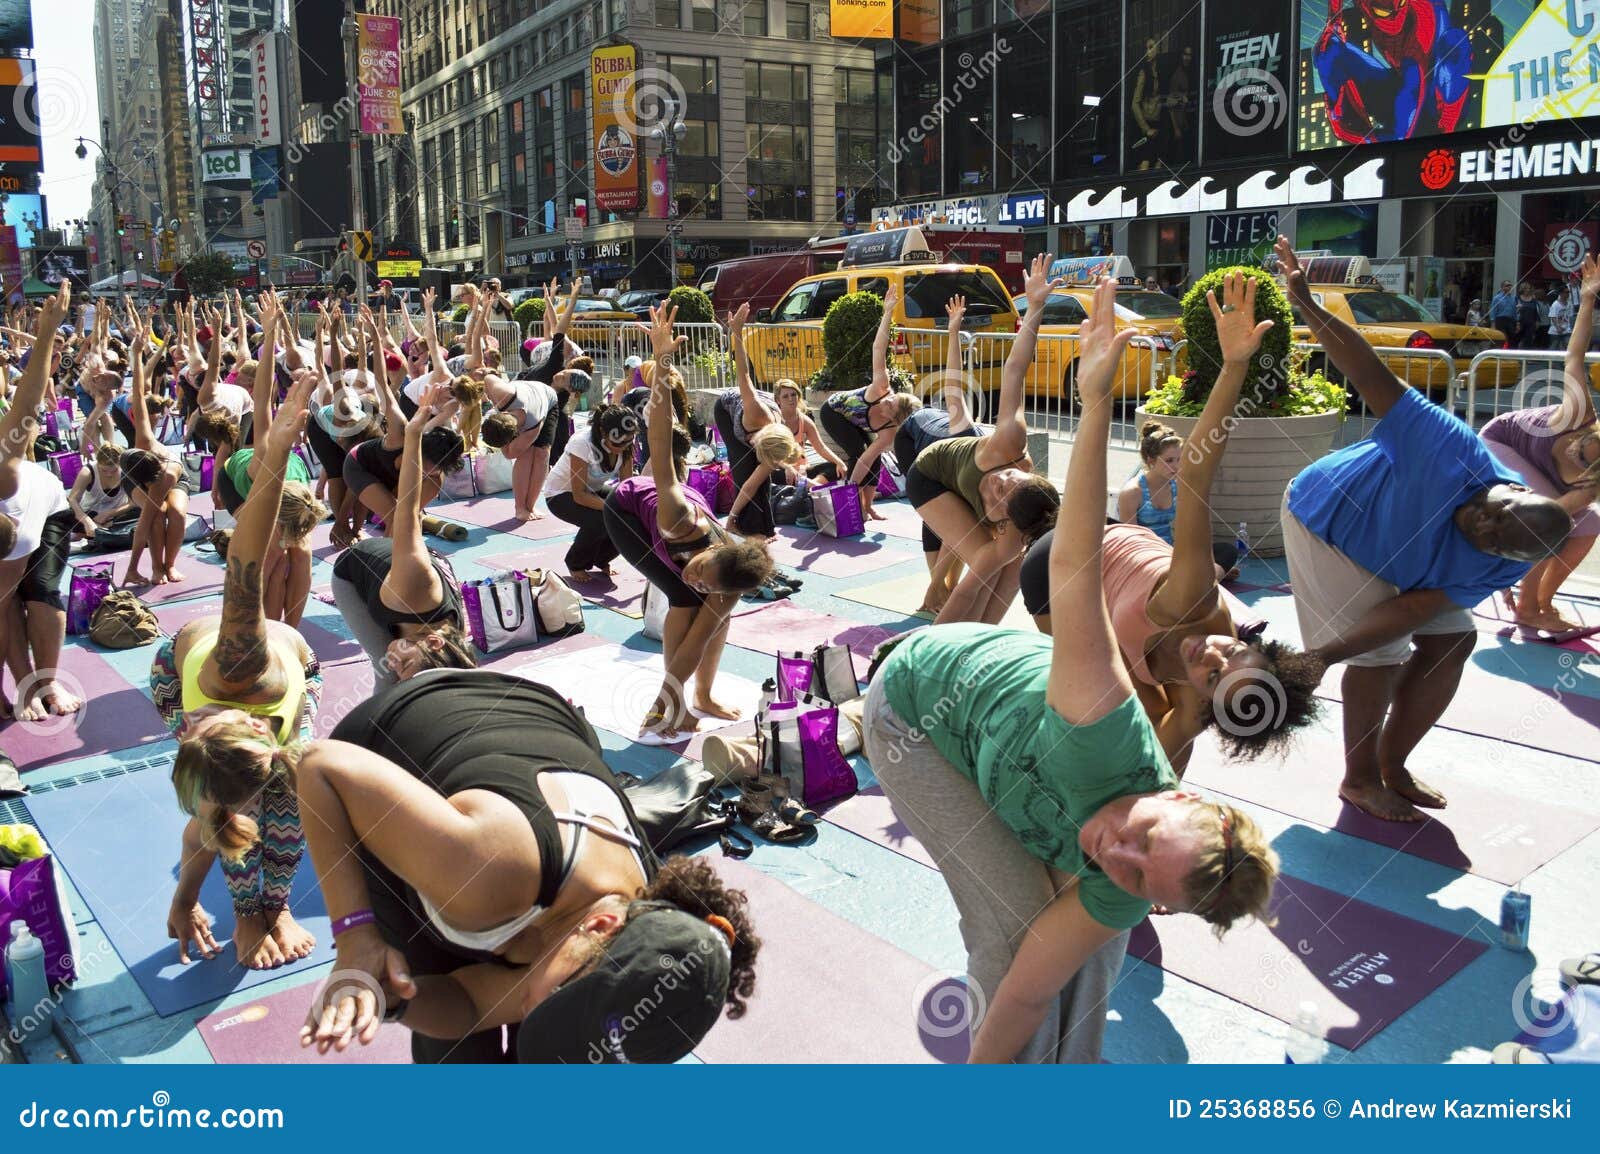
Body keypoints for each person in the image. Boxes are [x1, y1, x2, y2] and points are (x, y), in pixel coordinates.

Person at [863, 277, 1276, 1064]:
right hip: (921, 705)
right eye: (1142, 840)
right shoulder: (1113, 698)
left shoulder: (1161, 768)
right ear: (1180, 800)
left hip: (1022, 702)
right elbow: (1096, 545)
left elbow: (1046, 977)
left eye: (1141, 876)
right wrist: (1095, 404)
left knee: (1094, 933)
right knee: (1014, 925)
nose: (1114, 850)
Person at [292, 669, 760, 1063]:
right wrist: (354, 938)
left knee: (546, 1052)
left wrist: (392, 1001)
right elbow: (320, 766)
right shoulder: (486, 871)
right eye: (557, 1000)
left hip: (540, 731)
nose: (531, 1009)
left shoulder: (632, 936)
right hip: (402, 725)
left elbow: (472, 1001)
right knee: (456, 1060)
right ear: (598, 925)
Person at [1276, 237, 1573, 822]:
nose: (1477, 526)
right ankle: (1358, 780)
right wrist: (1306, 305)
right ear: (1513, 487)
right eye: (1491, 514)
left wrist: (1324, 656)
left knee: (1453, 640)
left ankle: (1392, 763)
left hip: (1399, 561)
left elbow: (1419, 608)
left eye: (1489, 538)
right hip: (1328, 522)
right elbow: (1366, 371)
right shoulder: (1450, 450)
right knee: (1379, 658)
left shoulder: (1508, 557)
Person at [1020, 272, 1323, 772]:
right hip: (1063, 562)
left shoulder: (1192, 705)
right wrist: (1233, 367)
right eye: (1235, 653)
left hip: (1120, 609)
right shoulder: (1194, 597)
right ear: (1251, 644)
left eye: (1214, 678)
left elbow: (1161, 766)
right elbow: (1198, 471)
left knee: (1145, 721)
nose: (1212, 655)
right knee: (1087, 695)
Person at [159, 371, 323, 970]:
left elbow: (246, 563)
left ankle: (271, 906)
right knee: (229, 819)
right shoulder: (213, 766)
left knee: (288, 811)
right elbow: (203, 831)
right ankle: (248, 910)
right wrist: (183, 900)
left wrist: (275, 456)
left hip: (283, 668)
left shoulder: (244, 661)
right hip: (190, 685)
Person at [603, 303, 774, 738]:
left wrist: (677, 700)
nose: (700, 580)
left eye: (707, 582)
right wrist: (660, 362)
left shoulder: (728, 583)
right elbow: (658, 439)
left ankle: (702, 695)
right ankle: (679, 704)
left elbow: (697, 642)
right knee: (683, 598)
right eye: (702, 572)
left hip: (692, 529)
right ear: (711, 552)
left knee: (713, 615)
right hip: (628, 514)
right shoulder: (679, 520)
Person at [906, 255, 1062, 626]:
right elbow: (1014, 370)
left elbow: (1004, 562)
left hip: (976, 498)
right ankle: (950, 632)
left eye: (998, 500)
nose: (997, 485)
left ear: (1010, 520)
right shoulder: (1008, 442)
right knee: (982, 564)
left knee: (1008, 566)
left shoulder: (1015, 529)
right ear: (1026, 472)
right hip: (928, 475)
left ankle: (981, 637)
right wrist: (1035, 307)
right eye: (1008, 480)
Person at [1480, 255, 1600, 632]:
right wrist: (1587, 299)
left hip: (1548, 469)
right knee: (1552, 522)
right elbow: (1575, 353)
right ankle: (1527, 608)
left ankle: (1542, 603)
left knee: (1588, 524)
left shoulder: (1591, 484)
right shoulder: (1579, 411)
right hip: (1501, 441)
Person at [330, 383, 479, 689]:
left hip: (408, 592)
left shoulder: (451, 644)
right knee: (387, 675)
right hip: (354, 573)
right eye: (408, 663)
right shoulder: (414, 583)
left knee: (407, 673)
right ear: (434, 643)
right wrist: (412, 434)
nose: (399, 662)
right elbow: (407, 510)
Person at [0, 285, 82, 721]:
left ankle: (46, 681)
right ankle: (22, 686)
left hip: (48, 509)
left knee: (41, 593)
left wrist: (47, 333)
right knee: (6, 602)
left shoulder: (4, 470)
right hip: (11, 535)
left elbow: (26, 407)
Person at [894, 295, 986, 613]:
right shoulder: (963, 426)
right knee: (942, 517)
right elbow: (952, 384)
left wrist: (948, 584)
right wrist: (952, 331)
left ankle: (942, 590)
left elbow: (965, 532)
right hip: (911, 440)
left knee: (962, 524)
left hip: (945, 457)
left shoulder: (985, 470)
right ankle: (935, 593)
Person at [817, 284, 922, 523]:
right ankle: (856, 504)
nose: (886, 402)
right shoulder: (881, 386)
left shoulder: (889, 432)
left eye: (890, 408)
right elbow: (878, 347)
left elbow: (869, 460)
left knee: (875, 458)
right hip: (833, 412)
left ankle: (867, 508)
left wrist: (855, 489)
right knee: (858, 452)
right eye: (891, 399)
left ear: (894, 419)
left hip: (856, 422)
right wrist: (887, 313)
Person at [480, 284, 583, 521]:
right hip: (528, 403)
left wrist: (571, 298)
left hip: (546, 405)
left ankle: (531, 505)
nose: (562, 376)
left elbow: (558, 329)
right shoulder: (514, 403)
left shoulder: (554, 367)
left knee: (541, 455)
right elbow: (510, 453)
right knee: (525, 455)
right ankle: (520, 507)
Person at [716, 304, 804, 540]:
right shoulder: (756, 412)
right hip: (728, 409)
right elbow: (744, 374)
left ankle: (764, 528)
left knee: (760, 478)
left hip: (763, 432)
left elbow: (757, 482)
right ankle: (741, 526)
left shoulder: (777, 439)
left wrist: (788, 467)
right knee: (744, 471)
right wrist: (736, 334)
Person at [1115, 419, 1240, 578]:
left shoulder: (1177, 486)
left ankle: (1204, 577)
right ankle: (1207, 578)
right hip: (1145, 558)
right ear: (1150, 460)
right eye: (1169, 461)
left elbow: (1193, 528)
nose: (1176, 466)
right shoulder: (1133, 492)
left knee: (1226, 551)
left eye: (1179, 459)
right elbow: (1130, 542)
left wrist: (1201, 557)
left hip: (1171, 553)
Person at [120, 316, 192, 586]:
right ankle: (156, 568)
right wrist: (135, 354)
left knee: (176, 513)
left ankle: (169, 564)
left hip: (171, 474)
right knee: (155, 514)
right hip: (138, 472)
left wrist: (138, 352)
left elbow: (141, 393)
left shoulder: (167, 475)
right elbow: (138, 391)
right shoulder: (141, 440)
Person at [544, 402, 637, 581]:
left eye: (628, 441)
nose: (624, 446)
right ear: (603, 432)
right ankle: (575, 563)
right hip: (560, 494)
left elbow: (626, 486)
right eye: (618, 441)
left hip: (591, 489)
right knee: (602, 520)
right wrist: (613, 509)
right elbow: (579, 496)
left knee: (631, 516)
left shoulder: (625, 443)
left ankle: (601, 559)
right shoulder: (582, 443)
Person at [772, 378, 844, 482]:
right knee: (772, 475)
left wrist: (839, 462)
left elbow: (821, 447)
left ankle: (808, 486)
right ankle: (810, 487)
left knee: (834, 468)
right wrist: (787, 467)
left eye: (793, 394)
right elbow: (770, 455)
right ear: (778, 400)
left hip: (803, 471)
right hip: (784, 471)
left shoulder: (805, 421)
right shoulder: (774, 421)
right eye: (785, 396)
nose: (791, 399)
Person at [66, 442, 136, 541]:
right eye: (104, 470)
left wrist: (109, 514)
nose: (109, 474)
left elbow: (133, 502)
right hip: (91, 514)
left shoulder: (126, 470)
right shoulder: (88, 472)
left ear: (120, 465)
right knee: (65, 516)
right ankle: (105, 532)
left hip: (118, 514)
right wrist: (87, 521)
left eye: (114, 470)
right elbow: (72, 499)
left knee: (142, 511)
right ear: (98, 462)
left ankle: (101, 533)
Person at [1515, 282, 1543, 349]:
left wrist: (1537, 321)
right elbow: (1513, 311)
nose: (1527, 290)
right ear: (1522, 289)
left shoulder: (1534, 300)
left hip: (1530, 324)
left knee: (1528, 342)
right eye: (1525, 288)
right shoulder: (1517, 298)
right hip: (1519, 323)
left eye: (1529, 288)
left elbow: (1536, 312)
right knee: (1516, 341)